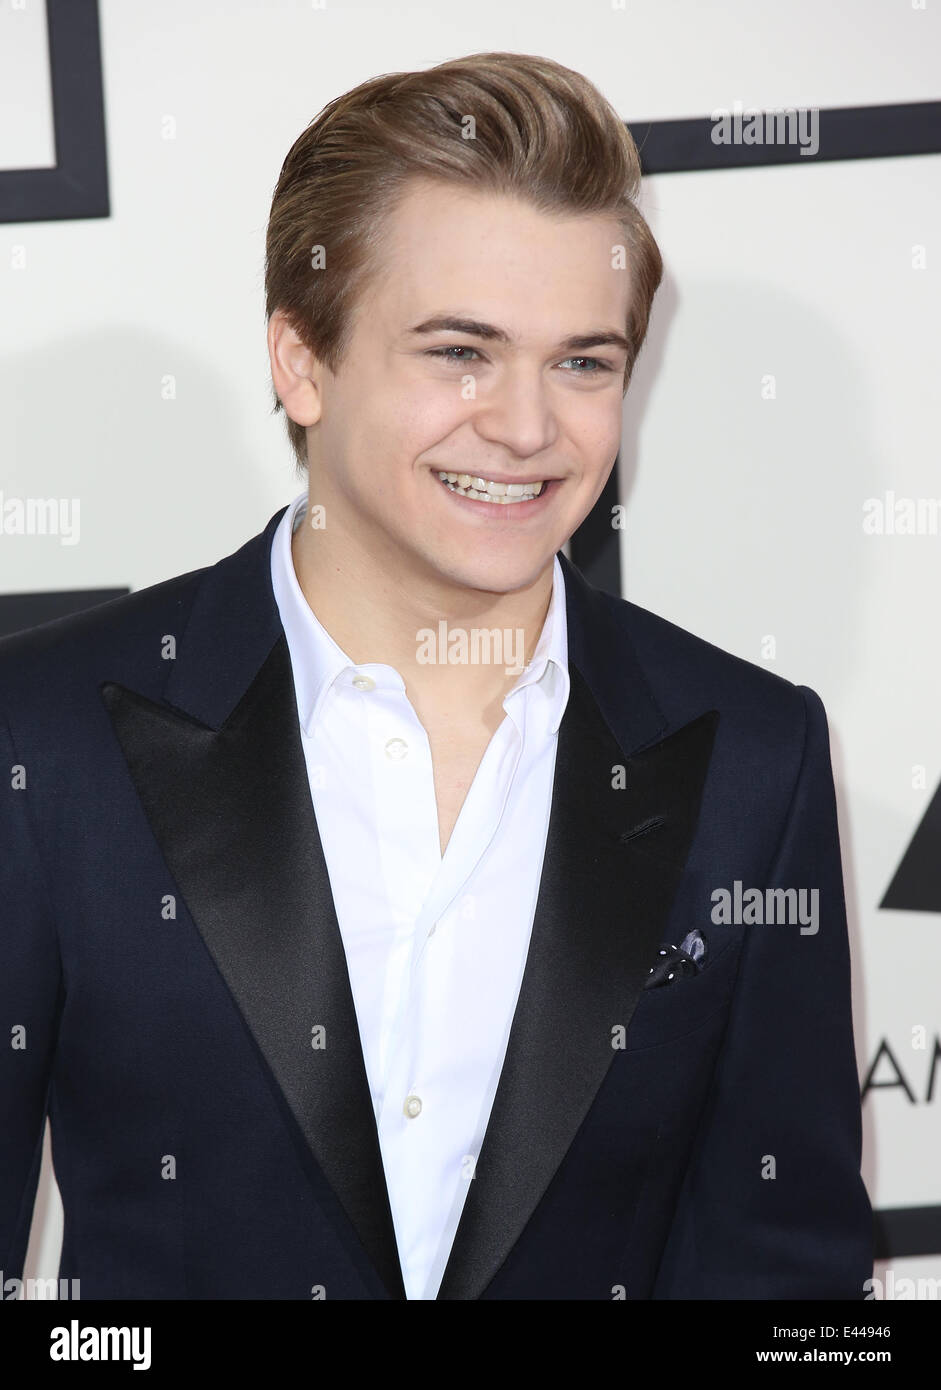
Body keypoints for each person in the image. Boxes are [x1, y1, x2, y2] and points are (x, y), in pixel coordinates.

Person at [0, 51, 872, 1300]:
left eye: (582, 361)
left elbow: (785, 1282)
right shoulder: (45, 738)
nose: (526, 426)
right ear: (301, 362)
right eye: (460, 351)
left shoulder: (749, 754)